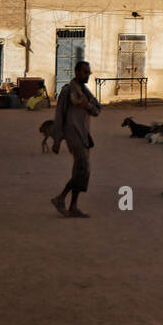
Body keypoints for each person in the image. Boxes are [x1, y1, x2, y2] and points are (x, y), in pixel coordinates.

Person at [51, 61, 101, 218]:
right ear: (77, 72)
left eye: (88, 73)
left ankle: (72, 205)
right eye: (85, 72)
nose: (87, 75)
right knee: (83, 167)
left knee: (81, 171)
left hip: (84, 134)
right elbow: (60, 116)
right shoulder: (67, 92)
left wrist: (86, 105)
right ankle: (60, 198)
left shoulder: (85, 92)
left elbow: (97, 109)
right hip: (73, 135)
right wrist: (57, 140)